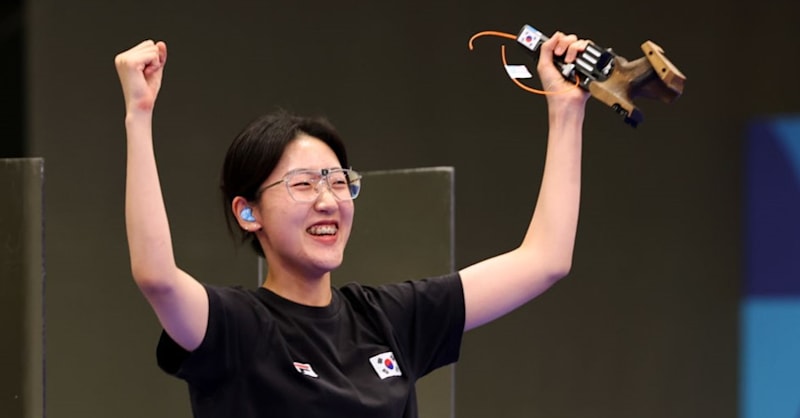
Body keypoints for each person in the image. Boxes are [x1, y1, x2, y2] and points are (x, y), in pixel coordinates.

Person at [114, 31, 590, 418]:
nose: (328, 200)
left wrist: (566, 111)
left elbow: (544, 260)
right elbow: (157, 277)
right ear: (248, 212)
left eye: (339, 182)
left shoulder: (388, 319)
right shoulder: (237, 327)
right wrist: (139, 115)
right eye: (302, 185)